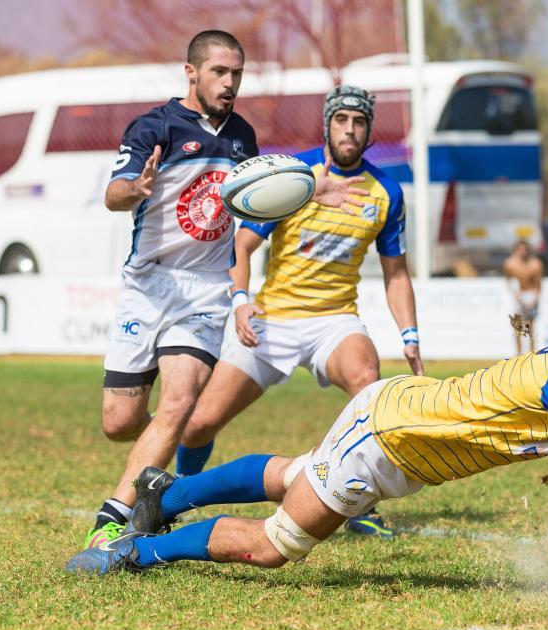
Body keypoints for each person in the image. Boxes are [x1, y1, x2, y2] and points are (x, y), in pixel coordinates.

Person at [68, 307, 548, 609]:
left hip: (403, 426)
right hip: (388, 441)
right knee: (277, 543)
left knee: (293, 473)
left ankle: (170, 495)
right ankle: (137, 553)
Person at [84, 31, 364, 550]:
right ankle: (160, 464)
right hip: (148, 286)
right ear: (191, 73)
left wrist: (311, 188)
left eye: (236, 73)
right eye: (219, 72)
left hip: (206, 290)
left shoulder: (242, 137)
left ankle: (115, 516)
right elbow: (112, 195)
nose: (230, 82)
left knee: (179, 402)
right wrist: (138, 188)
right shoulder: (155, 127)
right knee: (119, 421)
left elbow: (258, 200)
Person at [172, 85, 423, 540]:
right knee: (200, 423)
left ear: (369, 132)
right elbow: (241, 247)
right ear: (328, 124)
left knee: (367, 381)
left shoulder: (386, 191)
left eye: (359, 122)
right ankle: (178, 494)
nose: (350, 129)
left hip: (334, 321)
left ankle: (356, 502)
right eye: (342, 119)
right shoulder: (291, 176)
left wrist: (409, 335)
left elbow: (397, 274)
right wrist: (241, 302)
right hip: (272, 321)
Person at [503, 239, 543, 353]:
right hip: (518, 295)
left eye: (525, 249)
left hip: (530, 294)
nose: (523, 252)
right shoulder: (510, 264)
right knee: (517, 328)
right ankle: (518, 355)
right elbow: (508, 280)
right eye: (520, 249)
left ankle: (531, 354)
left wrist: (534, 298)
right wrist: (514, 293)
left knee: (530, 328)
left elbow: (539, 283)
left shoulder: (535, 264)